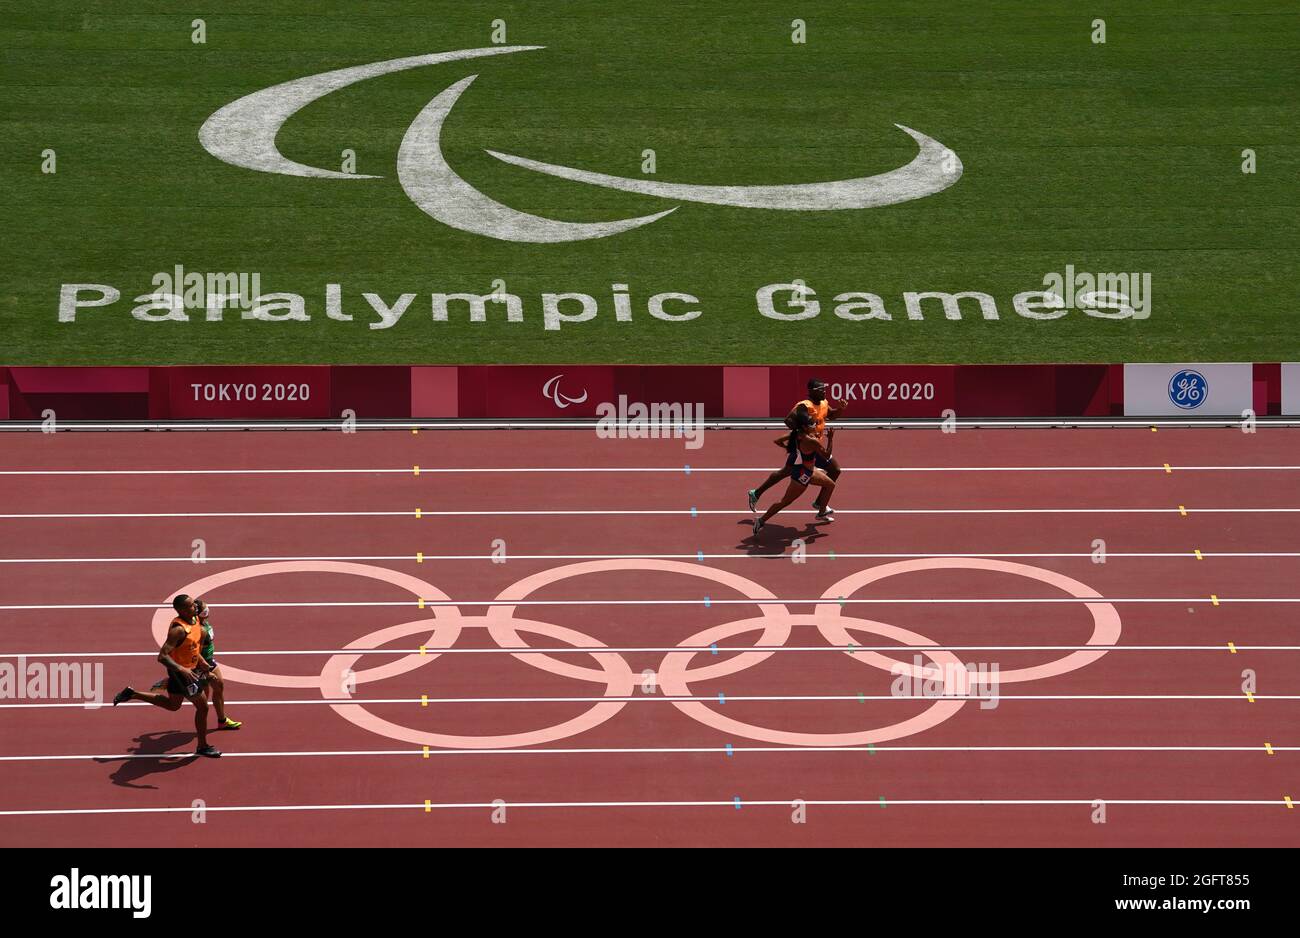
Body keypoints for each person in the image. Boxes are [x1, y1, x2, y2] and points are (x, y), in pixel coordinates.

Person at [112, 594, 221, 758]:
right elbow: (162, 656)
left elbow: (191, 646)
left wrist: (200, 661)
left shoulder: (195, 620)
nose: (196, 607)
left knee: (173, 705)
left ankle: (132, 694)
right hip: (182, 674)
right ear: (182, 610)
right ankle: (202, 746)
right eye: (192, 605)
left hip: (189, 669)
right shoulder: (178, 630)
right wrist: (182, 670)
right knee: (203, 706)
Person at [748, 377, 846, 519]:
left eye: (825, 389)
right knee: (786, 472)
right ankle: (756, 494)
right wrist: (802, 434)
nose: (825, 392)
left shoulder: (824, 403)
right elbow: (788, 420)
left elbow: (832, 415)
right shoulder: (804, 406)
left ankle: (820, 504)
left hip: (815, 446)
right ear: (812, 391)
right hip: (806, 446)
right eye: (821, 390)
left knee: (835, 470)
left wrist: (841, 409)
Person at [752, 407, 837, 536]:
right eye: (812, 424)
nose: (814, 425)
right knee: (785, 501)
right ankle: (761, 521)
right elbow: (826, 455)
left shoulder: (798, 434)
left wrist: (789, 448)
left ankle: (821, 512)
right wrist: (831, 438)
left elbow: (778, 441)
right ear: (804, 427)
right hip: (802, 475)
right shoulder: (811, 440)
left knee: (830, 485)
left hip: (808, 470)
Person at [195, 599, 241, 730]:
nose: (208, 609)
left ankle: (222, 720)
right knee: (202, 698)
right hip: (201, 665)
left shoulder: (205, 623)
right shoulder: (199, 630)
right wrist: (205, 671)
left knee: (219, 686)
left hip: (209, 661)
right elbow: (196, 652)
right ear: (199, 613)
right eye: (205, 608)